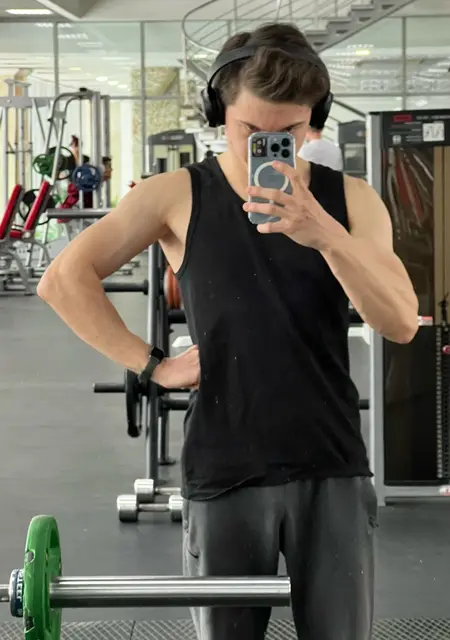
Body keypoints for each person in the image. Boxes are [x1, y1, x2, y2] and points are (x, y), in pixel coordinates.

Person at [38, 23, 418, 640]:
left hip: (331, 462)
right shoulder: (174, 195)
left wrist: (323, 233)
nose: (268, 145)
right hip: (224, 464)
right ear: (219, 113)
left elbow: (398, 322)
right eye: (250, 130)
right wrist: (154, 364)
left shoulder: (351, 201)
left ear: (314, 121)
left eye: (288, 132)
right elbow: (63, 279)